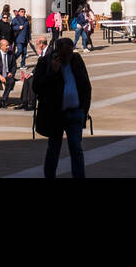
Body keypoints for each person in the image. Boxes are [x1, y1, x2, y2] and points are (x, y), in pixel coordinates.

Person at [34, 37, 91, 178]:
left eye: (69, 53)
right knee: (54, 149)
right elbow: (37, 87)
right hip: (56, 114)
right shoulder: (45, 62)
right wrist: (52, 72)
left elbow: (86, 86)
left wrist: (84, 109)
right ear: (57, 51)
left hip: (75, 113)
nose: (67, 57)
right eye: (64, 54)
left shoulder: (76, 61)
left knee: (76, 149)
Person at [18, 36, 50, 110]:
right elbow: (38, 66)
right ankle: (24, 102)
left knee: (32, 80)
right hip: (40, 73)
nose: (36, 46)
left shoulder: (49, 51)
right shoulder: (43, 50)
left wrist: (39, 55)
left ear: (41, 45)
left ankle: (32, 103)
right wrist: (31, 73)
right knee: (27, 78)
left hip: (47, 75)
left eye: (37, 44)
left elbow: (45, 65)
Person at [0, 38, 18, 109]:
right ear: (1, 46)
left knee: (11, 82)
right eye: (6, 45)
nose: (8, 47)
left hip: (7, 74)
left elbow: (14, 66)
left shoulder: (11, 54)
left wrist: (11, 73)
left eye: (8, 45)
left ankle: (4, 99)